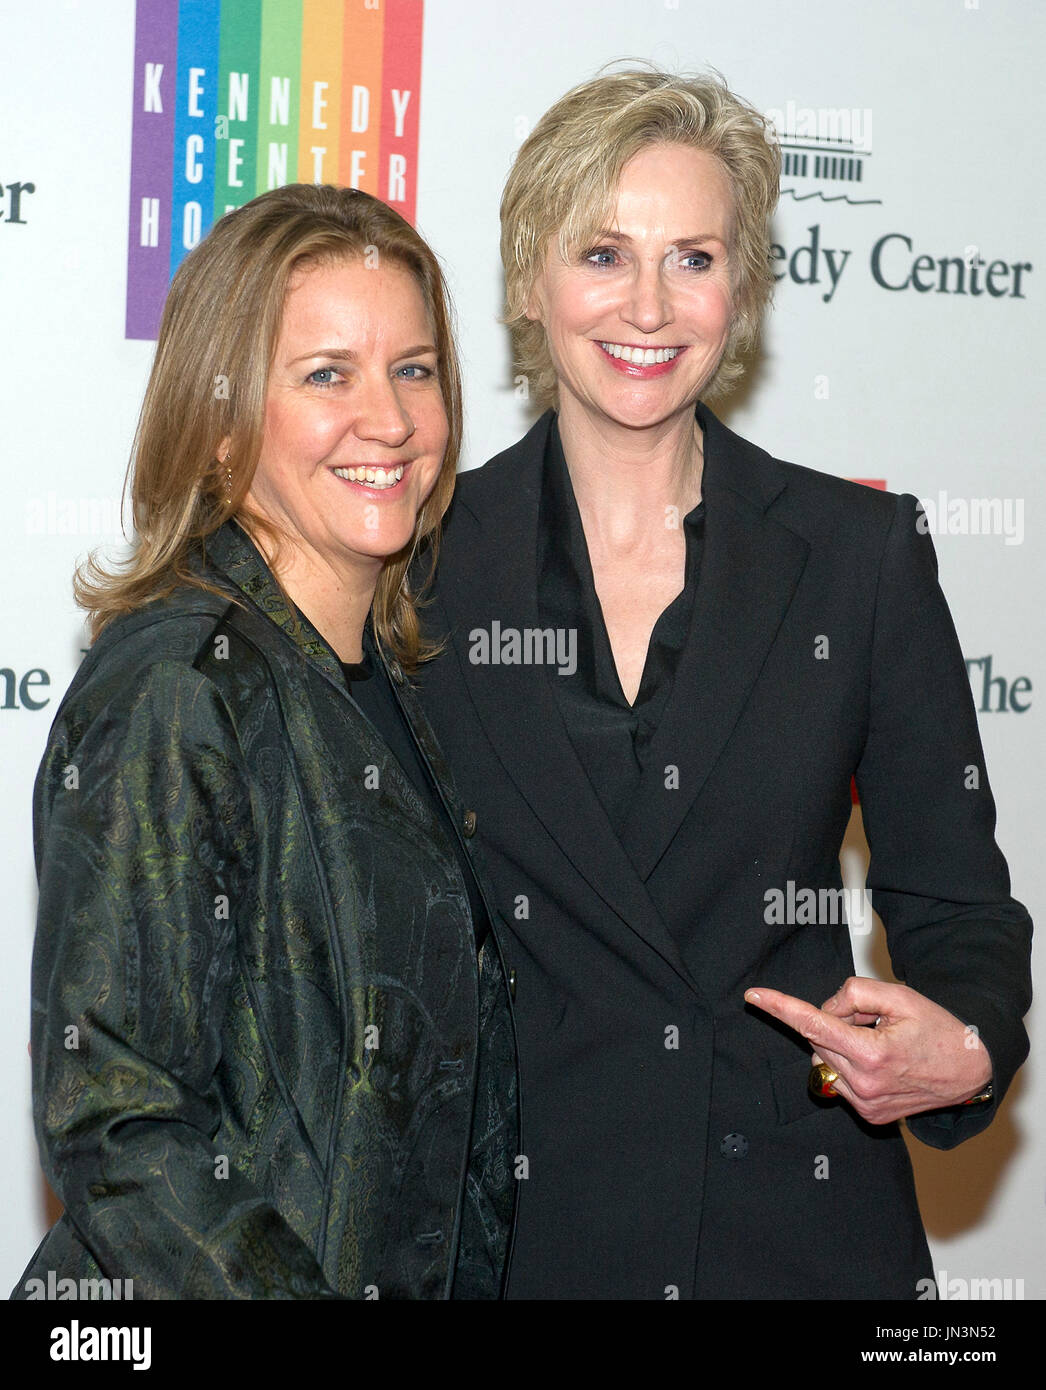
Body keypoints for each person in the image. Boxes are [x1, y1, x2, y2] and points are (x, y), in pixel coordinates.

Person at [411, 68, 1032, 1299]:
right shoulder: (422, 559)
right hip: (526, 1239)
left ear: (738, 290)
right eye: (601, 251)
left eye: (691, 257)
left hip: (795, 1236)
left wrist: (962, 1042)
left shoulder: (856, 555)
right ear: (528, 278)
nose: (648, 302)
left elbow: (956, 906)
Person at [14, 183, 518, 1301]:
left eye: (414, 368)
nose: (386, 420)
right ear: (226, 416)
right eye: (326, 373)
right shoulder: (175, 682)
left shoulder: (392, 683)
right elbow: (117, 1120)